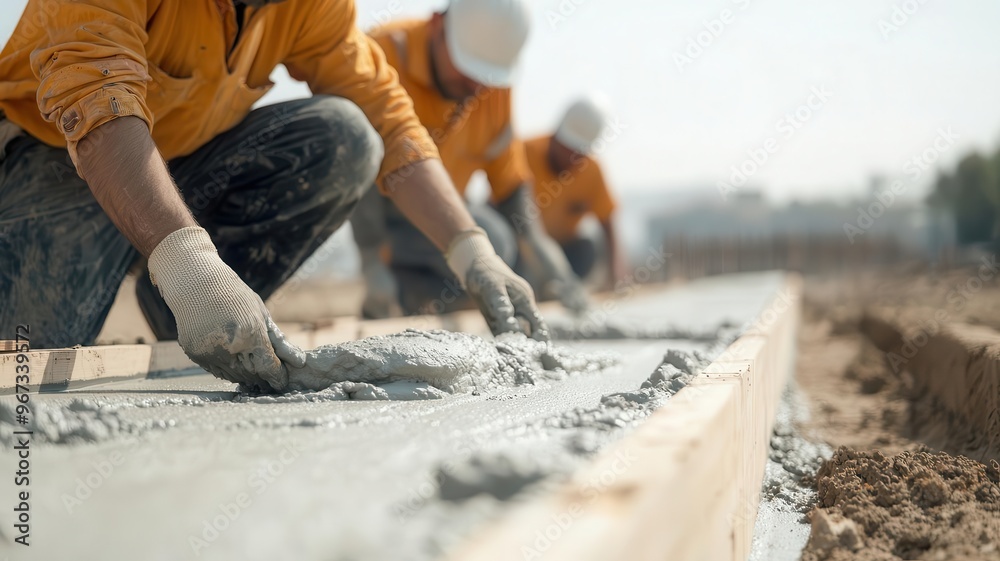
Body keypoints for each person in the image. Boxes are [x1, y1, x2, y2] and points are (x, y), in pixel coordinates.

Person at [0, 0, 548, 393]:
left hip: (185, 166)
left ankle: (200, 320)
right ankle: (191, 283)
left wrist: (469, 248)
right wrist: (185, 260)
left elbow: (387, 119)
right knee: (26, 360)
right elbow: (93, 94)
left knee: (345, 137)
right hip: (63, 153)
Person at [350, 0, 589, 319]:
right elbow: (355, 163)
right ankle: (387, 285)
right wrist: (371, 261)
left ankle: (411, 298)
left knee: (499, 245)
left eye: (486, 77)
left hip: (444, 214)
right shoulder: (383, 51)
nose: (477, 86)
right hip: (379, 214)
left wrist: (547, 256)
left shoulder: (491, 85)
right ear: (437, 26)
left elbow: (510, 189)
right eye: (467, 71)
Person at [522, 96, 625, 287]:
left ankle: (561, 287)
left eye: (579, 153)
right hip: (522, 249)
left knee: (586, 249)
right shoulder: (523, 152)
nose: (571, 158)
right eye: (567, 149)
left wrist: (616, 272)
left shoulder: (592, 171)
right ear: (555, 136)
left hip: (563, 252)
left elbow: (608, 221)